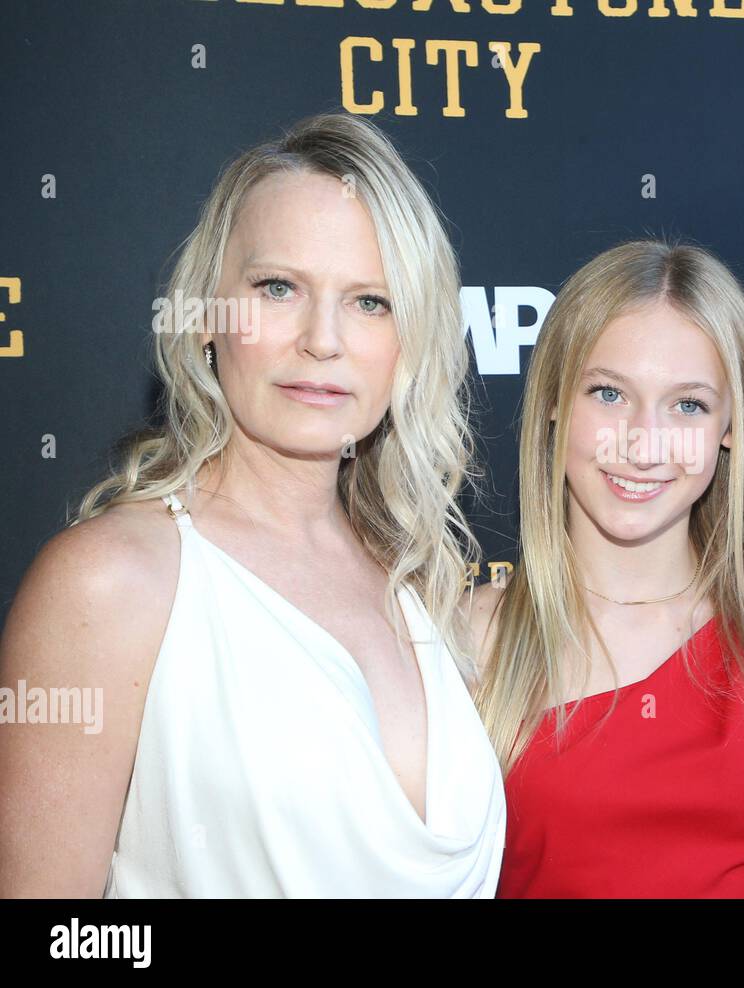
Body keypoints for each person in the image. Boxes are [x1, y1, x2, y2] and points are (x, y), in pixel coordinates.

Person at [0, 113, 505, 897]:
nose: (322, 340)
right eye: (278, 288)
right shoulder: (113, 584)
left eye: (371, 301)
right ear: (205, 315)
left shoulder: (419, 587)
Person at [466, 240, 744, 897]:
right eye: (608, 393)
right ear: (552, 399)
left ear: (731, 425)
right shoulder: (470, 639)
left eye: (687, 405)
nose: (642, 443)